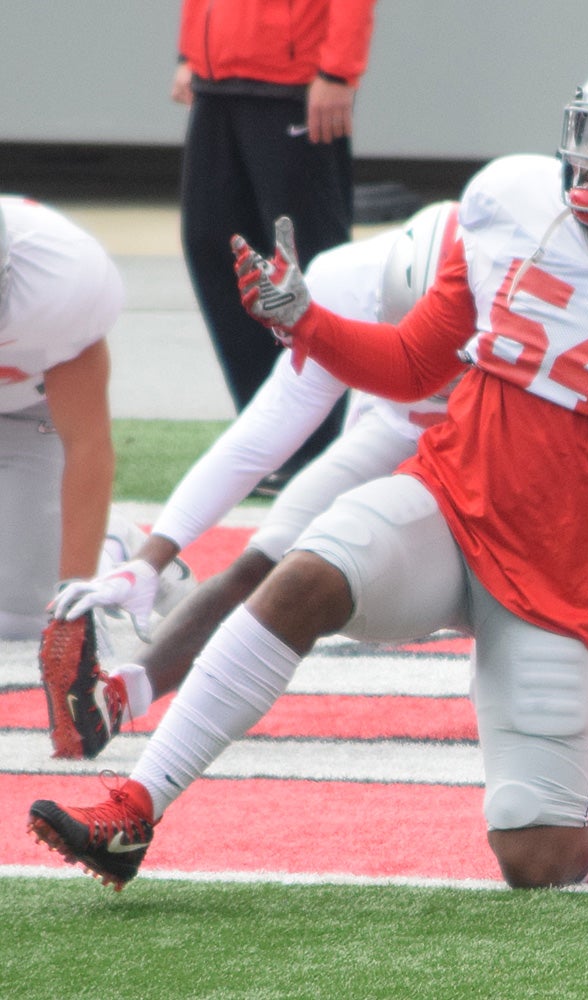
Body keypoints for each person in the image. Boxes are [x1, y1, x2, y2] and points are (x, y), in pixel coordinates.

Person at [29, 47, 588, 891]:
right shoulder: (513, 208)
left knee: (539, 863)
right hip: (449, 502)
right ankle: (135, 807)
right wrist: (309, 323)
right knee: (302, 576)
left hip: (569, 568)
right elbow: (417, 362)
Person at [42, 202, 461, 759]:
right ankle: (120, 695)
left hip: (495, 436)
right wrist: (152, 558)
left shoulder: (537, 294)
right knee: (266, 564)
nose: (422, 363)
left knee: (516, 588)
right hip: (393, 422)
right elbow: (264, 433)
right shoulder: (345, 282)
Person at [171, 0, 377, 484]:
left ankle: (317, 441)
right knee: (212, 243)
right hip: (216, 80)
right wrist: (189, 52)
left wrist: (340, 71)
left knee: (307, 262)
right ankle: (265, 434)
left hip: (296, 83)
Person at [0, 196, 191, 645]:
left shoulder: (63, 285)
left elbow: (86, 444)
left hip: (31, 415)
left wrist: (74, 589)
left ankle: (112, 547)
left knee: (22, 616)